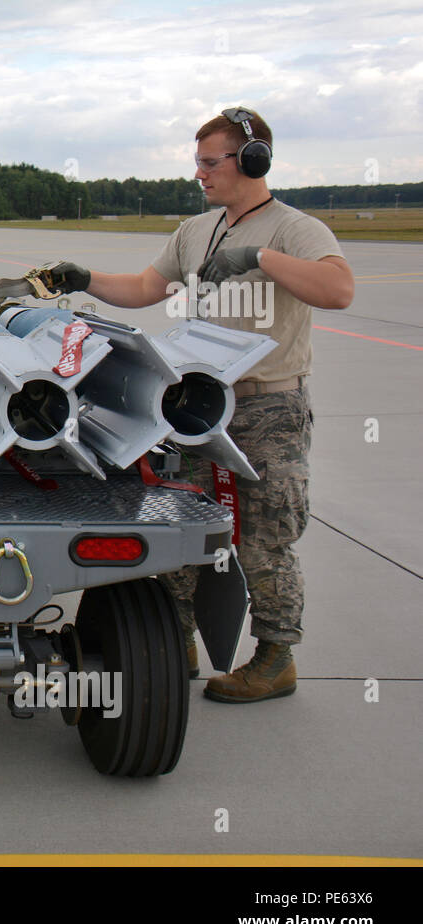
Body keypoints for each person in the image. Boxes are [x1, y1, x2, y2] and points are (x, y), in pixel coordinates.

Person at [48, 108, 354, 703]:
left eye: (211, 162)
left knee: (265, 535)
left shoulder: (294, 230)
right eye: (197, 162)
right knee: (181, 524)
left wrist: (261, 259)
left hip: (268, 409)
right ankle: (175, 642)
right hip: (193, 407)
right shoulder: (197, 230)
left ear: (252, 160)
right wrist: (83, 277)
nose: (200, 174)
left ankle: (274, 656)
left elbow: (338, 290)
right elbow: (144, 288)